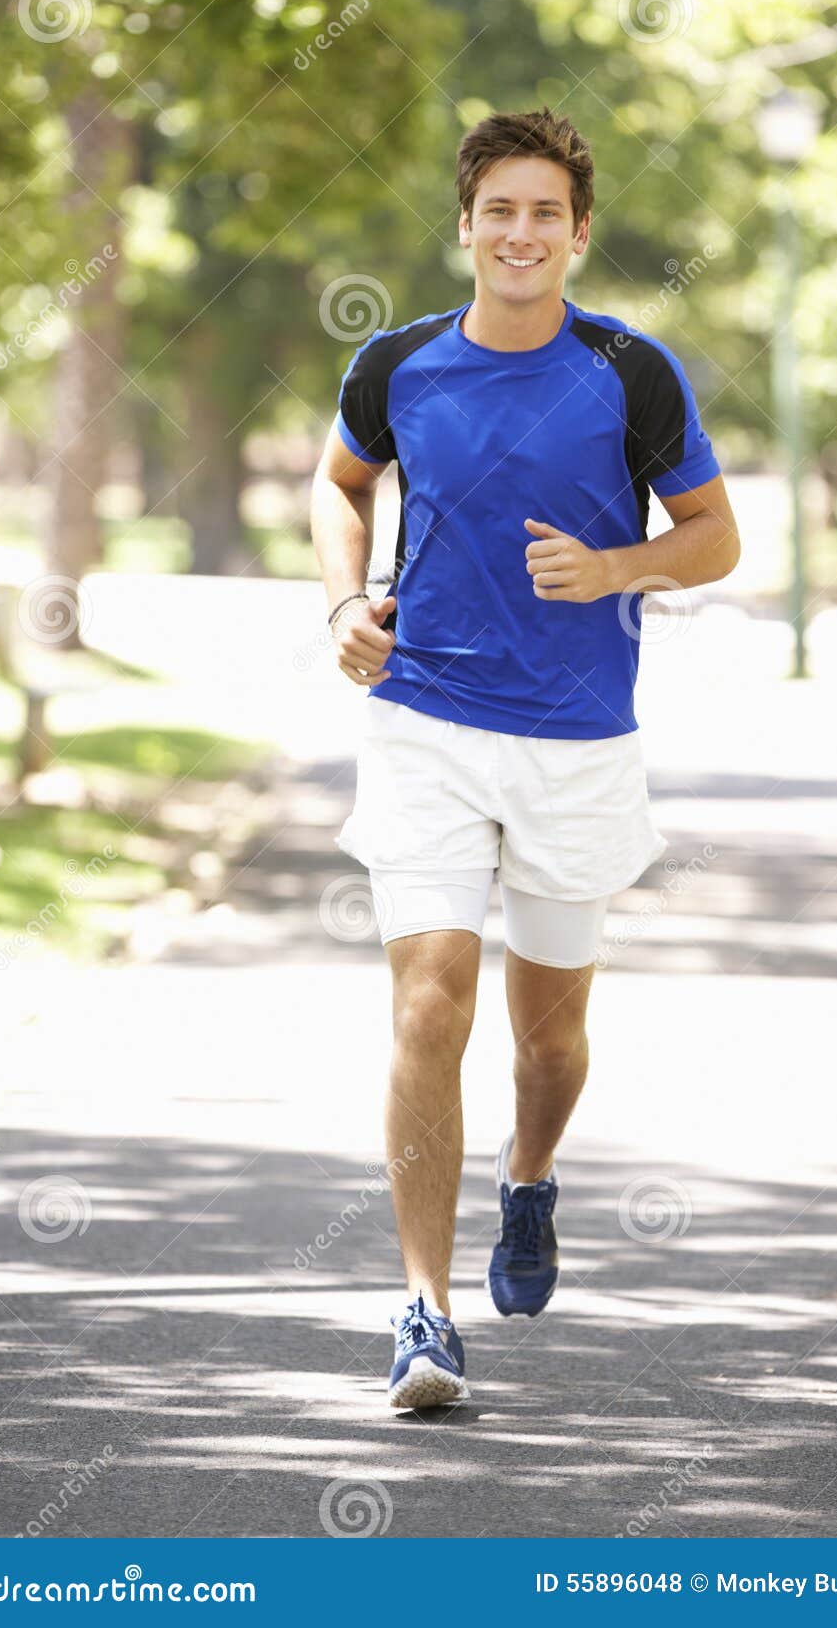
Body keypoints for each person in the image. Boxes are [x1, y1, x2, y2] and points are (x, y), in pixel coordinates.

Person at [310, 106, 740, 1410]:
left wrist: (617, 568)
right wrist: (344, 605)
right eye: (499, 208)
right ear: (465, 225)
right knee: (428, 999)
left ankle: (531, 1177)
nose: (520, 231)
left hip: (575, 741)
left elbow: (716, 536)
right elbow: (339, 484)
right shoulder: (399, 365)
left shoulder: (630, 371)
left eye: (545, 211)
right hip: (426, 721)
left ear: (578, 233)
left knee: (548, 1042)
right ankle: (424, 1313)